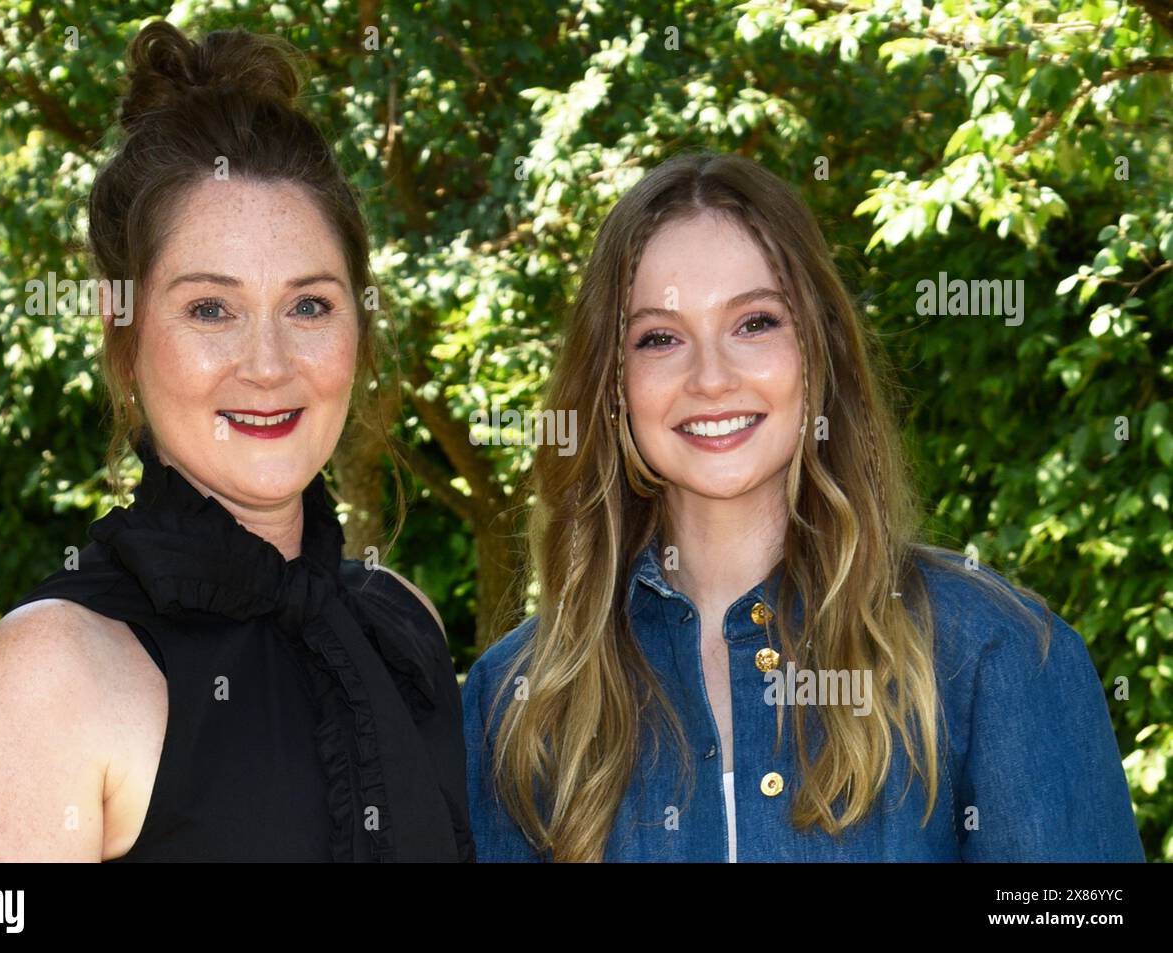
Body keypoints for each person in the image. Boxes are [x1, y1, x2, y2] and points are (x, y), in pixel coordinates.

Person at [462, 151, 1144, 862]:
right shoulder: (518, 703)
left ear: (818, 350)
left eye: (754, 323)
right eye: (659, 337)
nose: (711, 377)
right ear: (612, 383)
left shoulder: (995, 656)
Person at [0, 21, 473, 862]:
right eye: (210, 309)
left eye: (309, 305)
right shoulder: (54, 668)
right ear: (125, 339)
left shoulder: (407, 626)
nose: (267, 364)